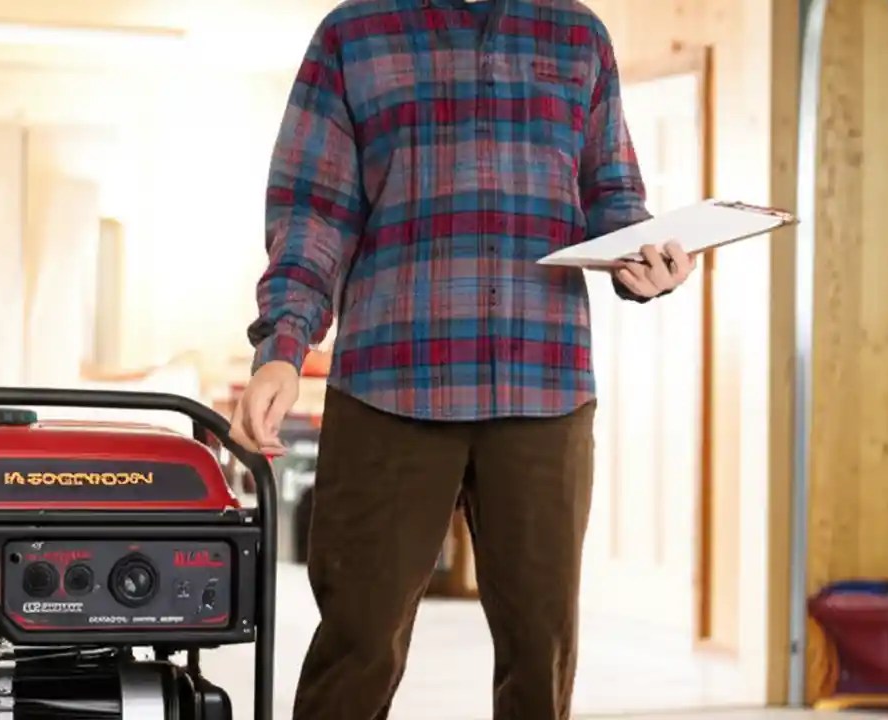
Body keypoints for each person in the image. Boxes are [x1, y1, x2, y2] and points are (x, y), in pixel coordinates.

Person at [228, 1, 698, 718]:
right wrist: (283, 347)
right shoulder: (353, 34)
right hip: (389, 387)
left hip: (546, 390)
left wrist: (646, 255)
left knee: (542, 653)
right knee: (357, 643)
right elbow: (312, 213)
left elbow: (612, 197)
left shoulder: (579, 37)